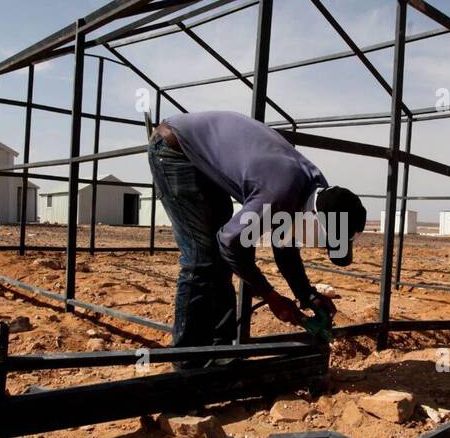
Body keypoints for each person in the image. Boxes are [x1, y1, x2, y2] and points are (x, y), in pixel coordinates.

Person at [146, 110, 367, 355]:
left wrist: (306, 295)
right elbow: (230, 243)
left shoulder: (314, 191)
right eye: (325, 243)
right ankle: (186, 360)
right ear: (315, 222)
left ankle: (221, 351)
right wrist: (271, 297)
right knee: (203, 256)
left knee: (220, 257)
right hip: (175, 149)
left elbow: (283, 244)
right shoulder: (281, 193)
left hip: (199, 152)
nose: (321, 247)